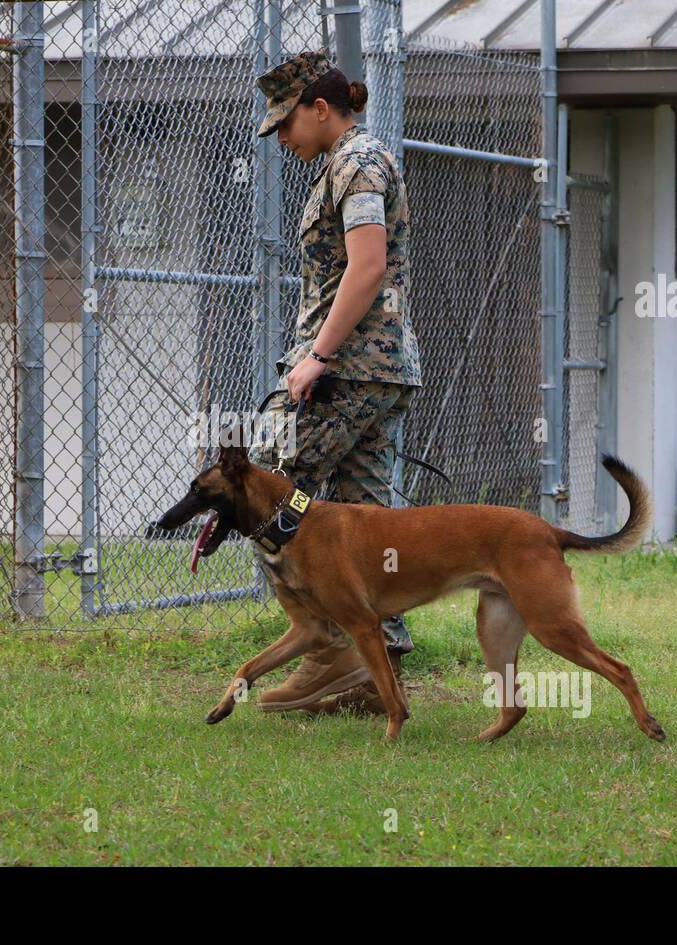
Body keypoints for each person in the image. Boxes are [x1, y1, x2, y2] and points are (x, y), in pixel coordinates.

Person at [247, 49, 423, 717]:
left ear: (321, 109)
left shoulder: (358, 161)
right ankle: (376, 670)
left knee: (262, 489)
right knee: (366, 516)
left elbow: (368, 264)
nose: (283, 138)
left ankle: (325, 646)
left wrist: (316, 355)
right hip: (373, 372)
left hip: (349, 372)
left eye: (287, 123)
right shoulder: (345, 163)